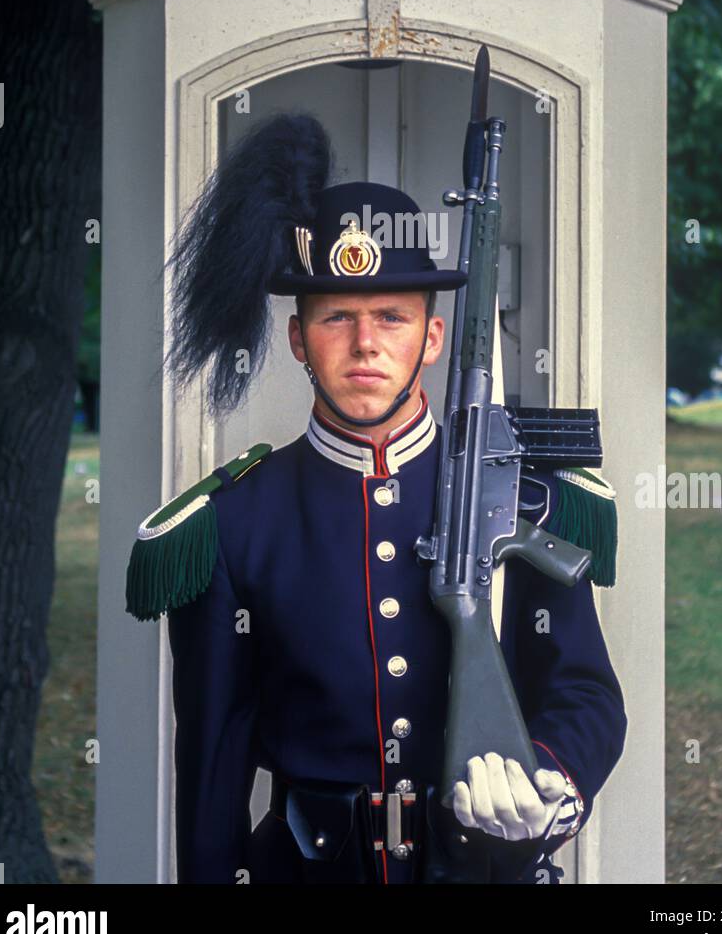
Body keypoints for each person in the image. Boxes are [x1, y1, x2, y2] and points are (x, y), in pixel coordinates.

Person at [126, 111, 627, 884]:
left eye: (391, 317)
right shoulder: (233, 525)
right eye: (337, 319)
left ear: (430, 339)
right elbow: (214, 773)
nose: (365, 344)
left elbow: (584, 691)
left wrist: (555, 783)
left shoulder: (521, 497)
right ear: (299, 340)